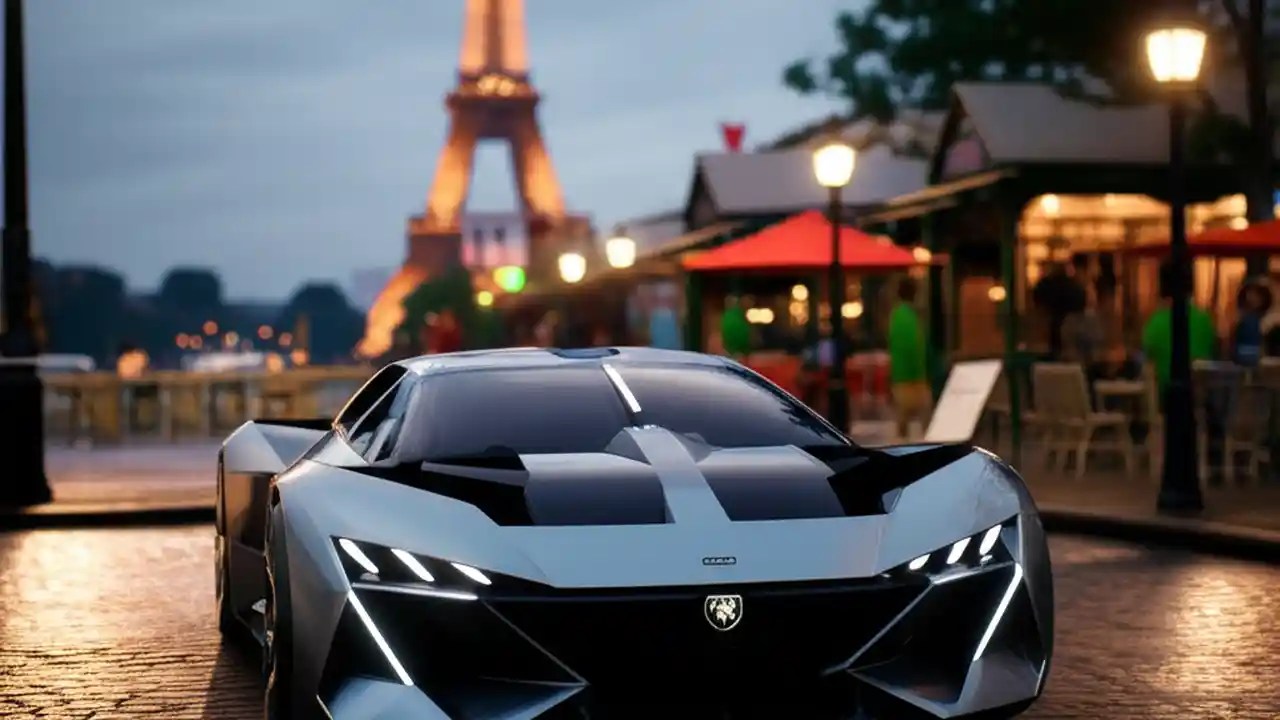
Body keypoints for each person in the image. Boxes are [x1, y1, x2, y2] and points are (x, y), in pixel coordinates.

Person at [1141, 261, 1217, 393]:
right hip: (1200, 398)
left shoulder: (1155, 322)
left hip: (1165, 399)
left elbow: (1147, 357)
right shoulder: (1204, 320)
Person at [887, 277, 931, 440]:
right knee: (925, 416)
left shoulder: (896, 316)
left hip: (900, 375)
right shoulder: (911, 317)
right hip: (914, 376)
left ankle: (900, 445)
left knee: (903, 419)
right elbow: (915, 346)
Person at [1231, 281, 1271, 367]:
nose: (1252, 297)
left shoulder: (1256, 320)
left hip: (1248, 358)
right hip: (1247, 358)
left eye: (1255, 295)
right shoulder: (1247, 320)